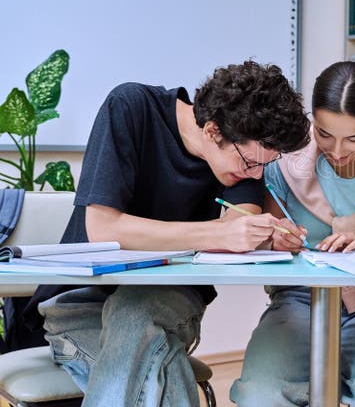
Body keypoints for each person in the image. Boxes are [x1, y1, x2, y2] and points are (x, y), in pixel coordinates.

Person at [24, 61, 310, 406]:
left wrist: (270, 235)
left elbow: (242, 223)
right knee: (164, 377)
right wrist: (217, 233)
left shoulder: (246, 156)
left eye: (266, 165)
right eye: (251, 163)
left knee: (136, 312)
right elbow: (102, 228)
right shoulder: (131, 108)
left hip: (167, 302)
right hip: (81, 305)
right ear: (213, 131)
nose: (255, 175)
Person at [230, 61, 355, 407]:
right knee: (260, 394)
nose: (337, 151)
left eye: (354, 138)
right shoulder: (283, 165)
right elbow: (265, 244)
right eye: (324, 134)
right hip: (297, 301)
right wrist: (275, 239)